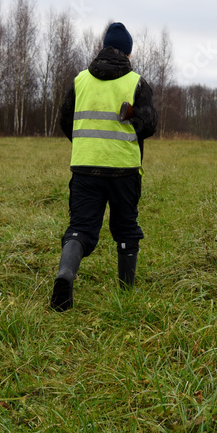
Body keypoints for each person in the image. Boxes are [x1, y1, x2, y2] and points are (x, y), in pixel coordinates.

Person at [50, 22, 158, 312]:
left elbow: (64, 121)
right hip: (123, 169)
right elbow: (150, 125)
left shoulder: (79, 80)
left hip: (84, 167)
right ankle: (126, 294)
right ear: (128, 52)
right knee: (125, 229)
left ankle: (65, 274)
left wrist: (86, 145)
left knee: (80, 228)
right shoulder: (136, 83)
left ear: (103, 47)